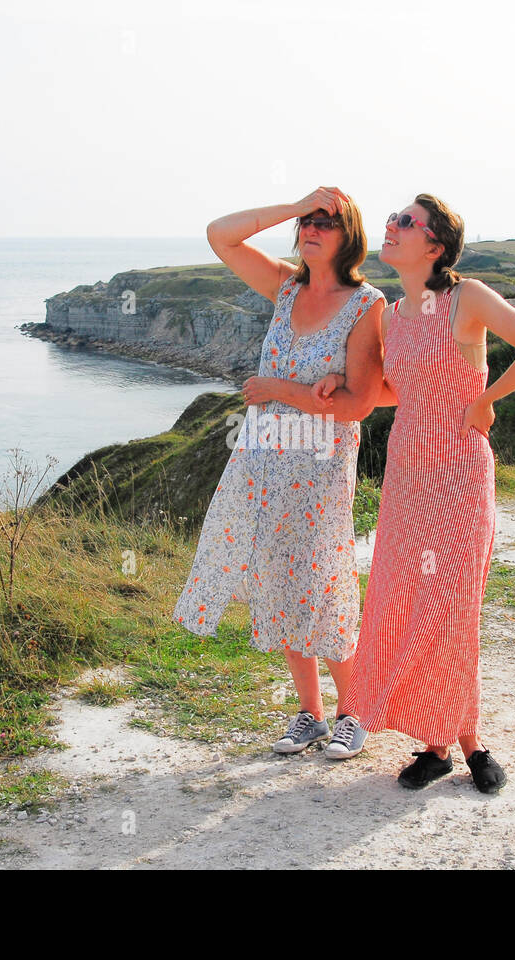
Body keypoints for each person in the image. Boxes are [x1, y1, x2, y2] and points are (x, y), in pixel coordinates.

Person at [320, 194, 515, 792]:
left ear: (435, 245)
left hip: (459, 472)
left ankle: (470, 744)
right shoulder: (393, 313)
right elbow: (393, 392)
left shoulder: (466, 297)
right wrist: (331, 386)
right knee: (406, 605)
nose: (392, 226)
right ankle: (436, 746)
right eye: (393, 219)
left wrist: (485, 399)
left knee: (452, 607)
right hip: (407, 476)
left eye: (406, 221)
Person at [171, 186, 386, 759]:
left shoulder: (367, 305)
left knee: (323, 577)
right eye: (307, 221)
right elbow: (221, 234)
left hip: (320, 463)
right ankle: (310, 714)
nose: (313, 228)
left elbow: (361, 402)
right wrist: (294, 205)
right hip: (263, 456)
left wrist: (279, 391)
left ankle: (354, 712)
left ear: (351, 235)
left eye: (327, 222)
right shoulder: (287, 286)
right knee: (275, 575)